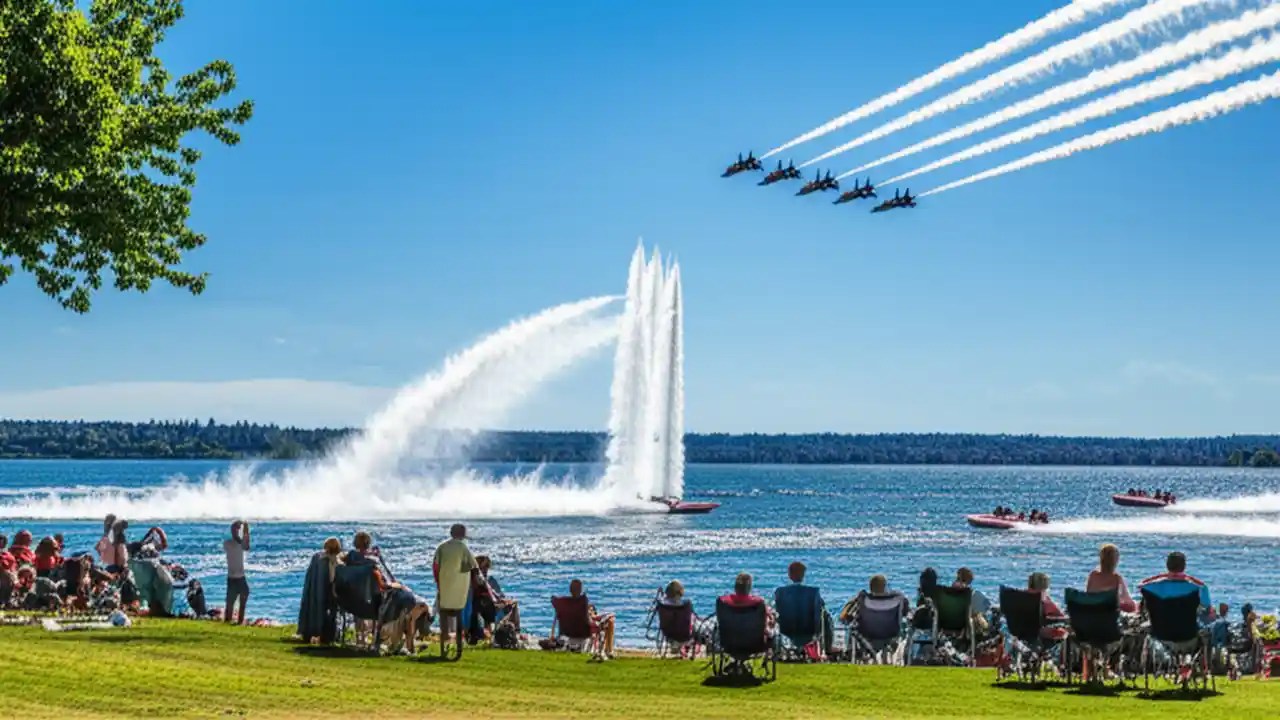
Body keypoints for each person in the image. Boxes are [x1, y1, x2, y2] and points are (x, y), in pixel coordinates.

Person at [432, 523, 479, 659]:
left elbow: (435, 567)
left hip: (445, 588)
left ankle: (444, 644)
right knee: (458, 617)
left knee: (444, 618)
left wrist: (439, 582)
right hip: (459, 591)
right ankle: (458, 647)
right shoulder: (463, 548)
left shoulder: (442, 547)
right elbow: (473, 566)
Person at [774, 561, 833, 655]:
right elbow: (821, 607)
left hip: (786, 629)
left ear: (789, 575)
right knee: (826, 616)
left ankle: (777, 650)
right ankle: (827, 649)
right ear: (803, 575)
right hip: (809, 629)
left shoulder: (780, 592)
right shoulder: (813, 592)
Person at [1138, 551, 1211, 613]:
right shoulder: (1199, 589)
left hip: (1159, 627)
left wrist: (1162, 576)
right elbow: (1207, 608)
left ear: (1167, 565)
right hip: (1189, 627)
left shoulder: (1150, 587)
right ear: (1184, 566)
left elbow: (1141, 585)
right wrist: (1188, 577)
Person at [472, 555, 519, 638]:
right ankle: (514, 632)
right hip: (490, 610)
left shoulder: (485, 580)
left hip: (487, 608)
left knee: (511, 603)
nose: (486, 569)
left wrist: (502, 600)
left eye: (487, 567)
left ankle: (512, 631)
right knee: (512, 605)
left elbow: (499, 596)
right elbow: (495, 598)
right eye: (484, 567)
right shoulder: (483, 582)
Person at [1085, 543, 1137, 612]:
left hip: (1093, 611)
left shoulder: (1093, 575)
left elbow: (1088, 595)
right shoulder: (1116, 578)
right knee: (1133, 606)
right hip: (1110, 615)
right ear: (1115, 560)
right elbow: (1127, 599)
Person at [223, 520, 250, 625]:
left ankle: (239, 621)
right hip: (234, 578)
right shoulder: (229, 543)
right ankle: (230, 620)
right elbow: (245, 544)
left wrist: (245, 531)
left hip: (239, 576)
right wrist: (245, 531)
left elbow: (246, 546)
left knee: (242, 598)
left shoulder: (237, 543)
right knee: (230, 603)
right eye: (235, 530)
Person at [1027, 572, 1067, 640]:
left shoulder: (1021, 596)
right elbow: (1060, 615)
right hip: (1039, 632)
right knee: (1065, 631)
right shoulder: (1044, 599)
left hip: (1022, 630)